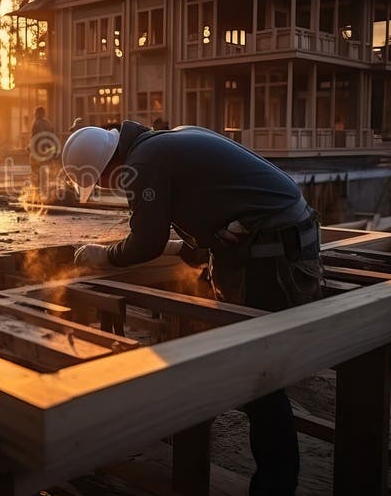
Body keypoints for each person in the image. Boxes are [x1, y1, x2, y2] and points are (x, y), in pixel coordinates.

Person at [61, 121, 323, 495]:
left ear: (107, 166)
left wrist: (105, 256)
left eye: (102, 182)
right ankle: (186, 425)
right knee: (218, 342)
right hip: (281, 236)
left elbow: (146, 242)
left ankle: (274, 486)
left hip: (276, 254)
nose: (108, 189)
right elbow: (196, 239)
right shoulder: (170, 140)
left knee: (259, 374)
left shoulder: (143, 162)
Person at [29, 106, 57, 188]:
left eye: (35, 113)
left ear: (37, 113)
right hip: (47, 151)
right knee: (46, 170)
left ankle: (36, 189)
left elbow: (34, 137)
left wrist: (30, 147)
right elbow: (52, 137)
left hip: (37, 151)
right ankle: (46, 188)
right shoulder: (48, 123)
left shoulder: (36, 123)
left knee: (35, 170)